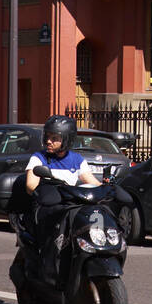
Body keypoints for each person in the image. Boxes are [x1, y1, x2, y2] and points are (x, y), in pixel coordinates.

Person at [25, 116, 100, 283]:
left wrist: (106, 189)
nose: (49, 141)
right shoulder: (39, 158)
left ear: (67, 140)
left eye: (55, 138)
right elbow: (31, 185)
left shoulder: (77, 160)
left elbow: (91, 181)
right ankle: (50, 268)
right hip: (47, 206)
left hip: (69, 206)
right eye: (47, 137)